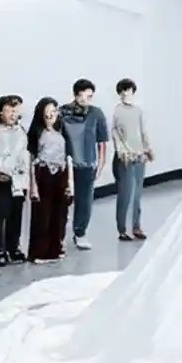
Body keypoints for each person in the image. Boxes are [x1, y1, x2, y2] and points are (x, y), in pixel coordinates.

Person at [59, 79, 109, 251]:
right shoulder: (63, 113)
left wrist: (101, 165)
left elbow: (102, 142)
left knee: (85, 201)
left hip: (87, 164)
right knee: (61, 200)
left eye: (90, 96)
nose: (87, 99)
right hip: (65, 164)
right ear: (76, 94)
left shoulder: (96, 114)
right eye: (84, 96)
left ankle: (80, 232)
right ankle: (58, 235)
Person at [0, 95, 31, 267]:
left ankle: (13, 248)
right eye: (9, 110)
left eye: (16, 110)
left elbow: (24, 154)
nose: (13, 114)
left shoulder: (20, 131)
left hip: (18, 179)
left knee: (15, 215)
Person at [27, 97, 74, 263]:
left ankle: (56, 248)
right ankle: (39, 251)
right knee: (43, 214)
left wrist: (69, 183)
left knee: (60, 213)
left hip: (60, 174)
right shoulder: (36, 133)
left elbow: (68, 157)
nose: (51, 116)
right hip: (43, 174)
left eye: (54, 112)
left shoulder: (61, 131)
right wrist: (33, 186)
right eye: (47, 113)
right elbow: (31, 160)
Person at [111, 78, 154, 241]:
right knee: (125, 193)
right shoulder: (117, 111)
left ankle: (136, 226)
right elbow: (115, 134)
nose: (125, 93)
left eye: (128, 90)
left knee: (137, 194)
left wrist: (148, 148)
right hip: (125, 158)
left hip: (139, 156)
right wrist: (122, 151)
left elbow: (144, 131)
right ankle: (123, 229)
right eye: (122, 90)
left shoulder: (138, 111)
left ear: (132, 91)